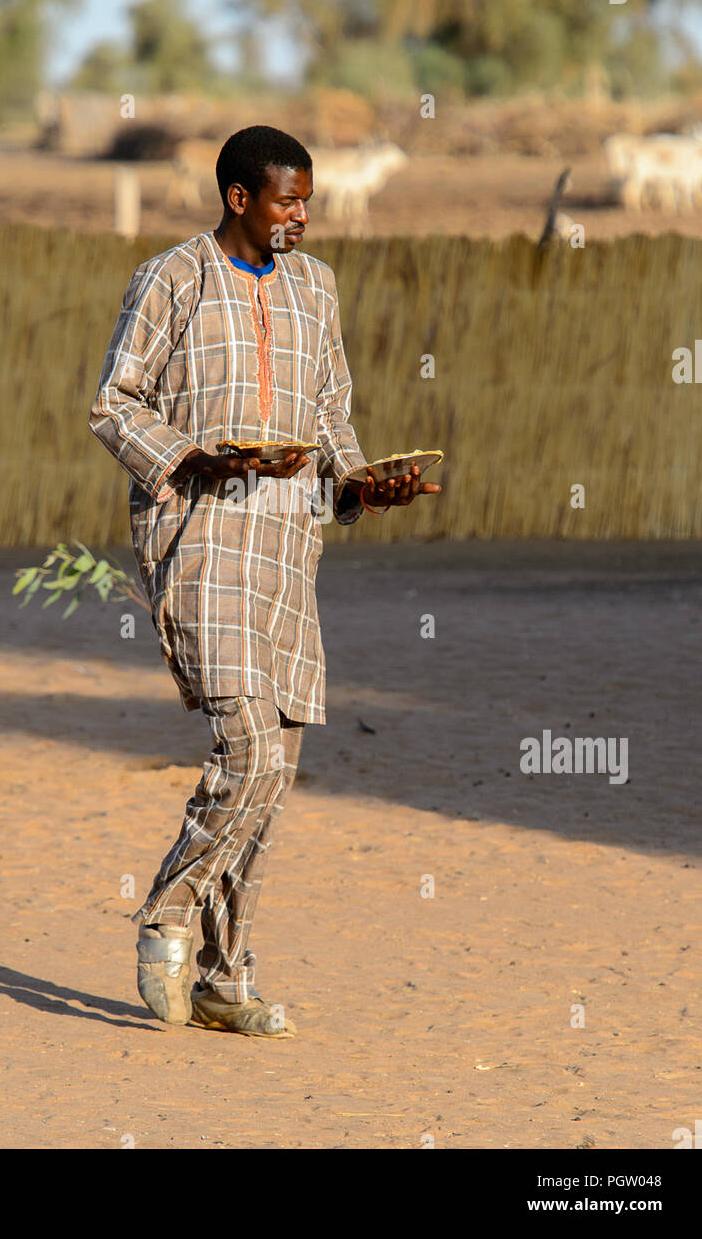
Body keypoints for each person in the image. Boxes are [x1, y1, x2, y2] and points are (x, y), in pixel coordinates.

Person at [88, 125, 440, 1037]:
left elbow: (330, 416)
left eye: (306, 200)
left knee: (276, 768)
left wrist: (366, 485)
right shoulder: (171, 277)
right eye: (286, 200)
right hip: (199, 538)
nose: (300, 215)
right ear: (239, 198)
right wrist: (189, 459)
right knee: (245, 742)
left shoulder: (317, 287)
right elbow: (113, 402)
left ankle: (224, 978)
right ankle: (166, 912)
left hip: (289, 543)